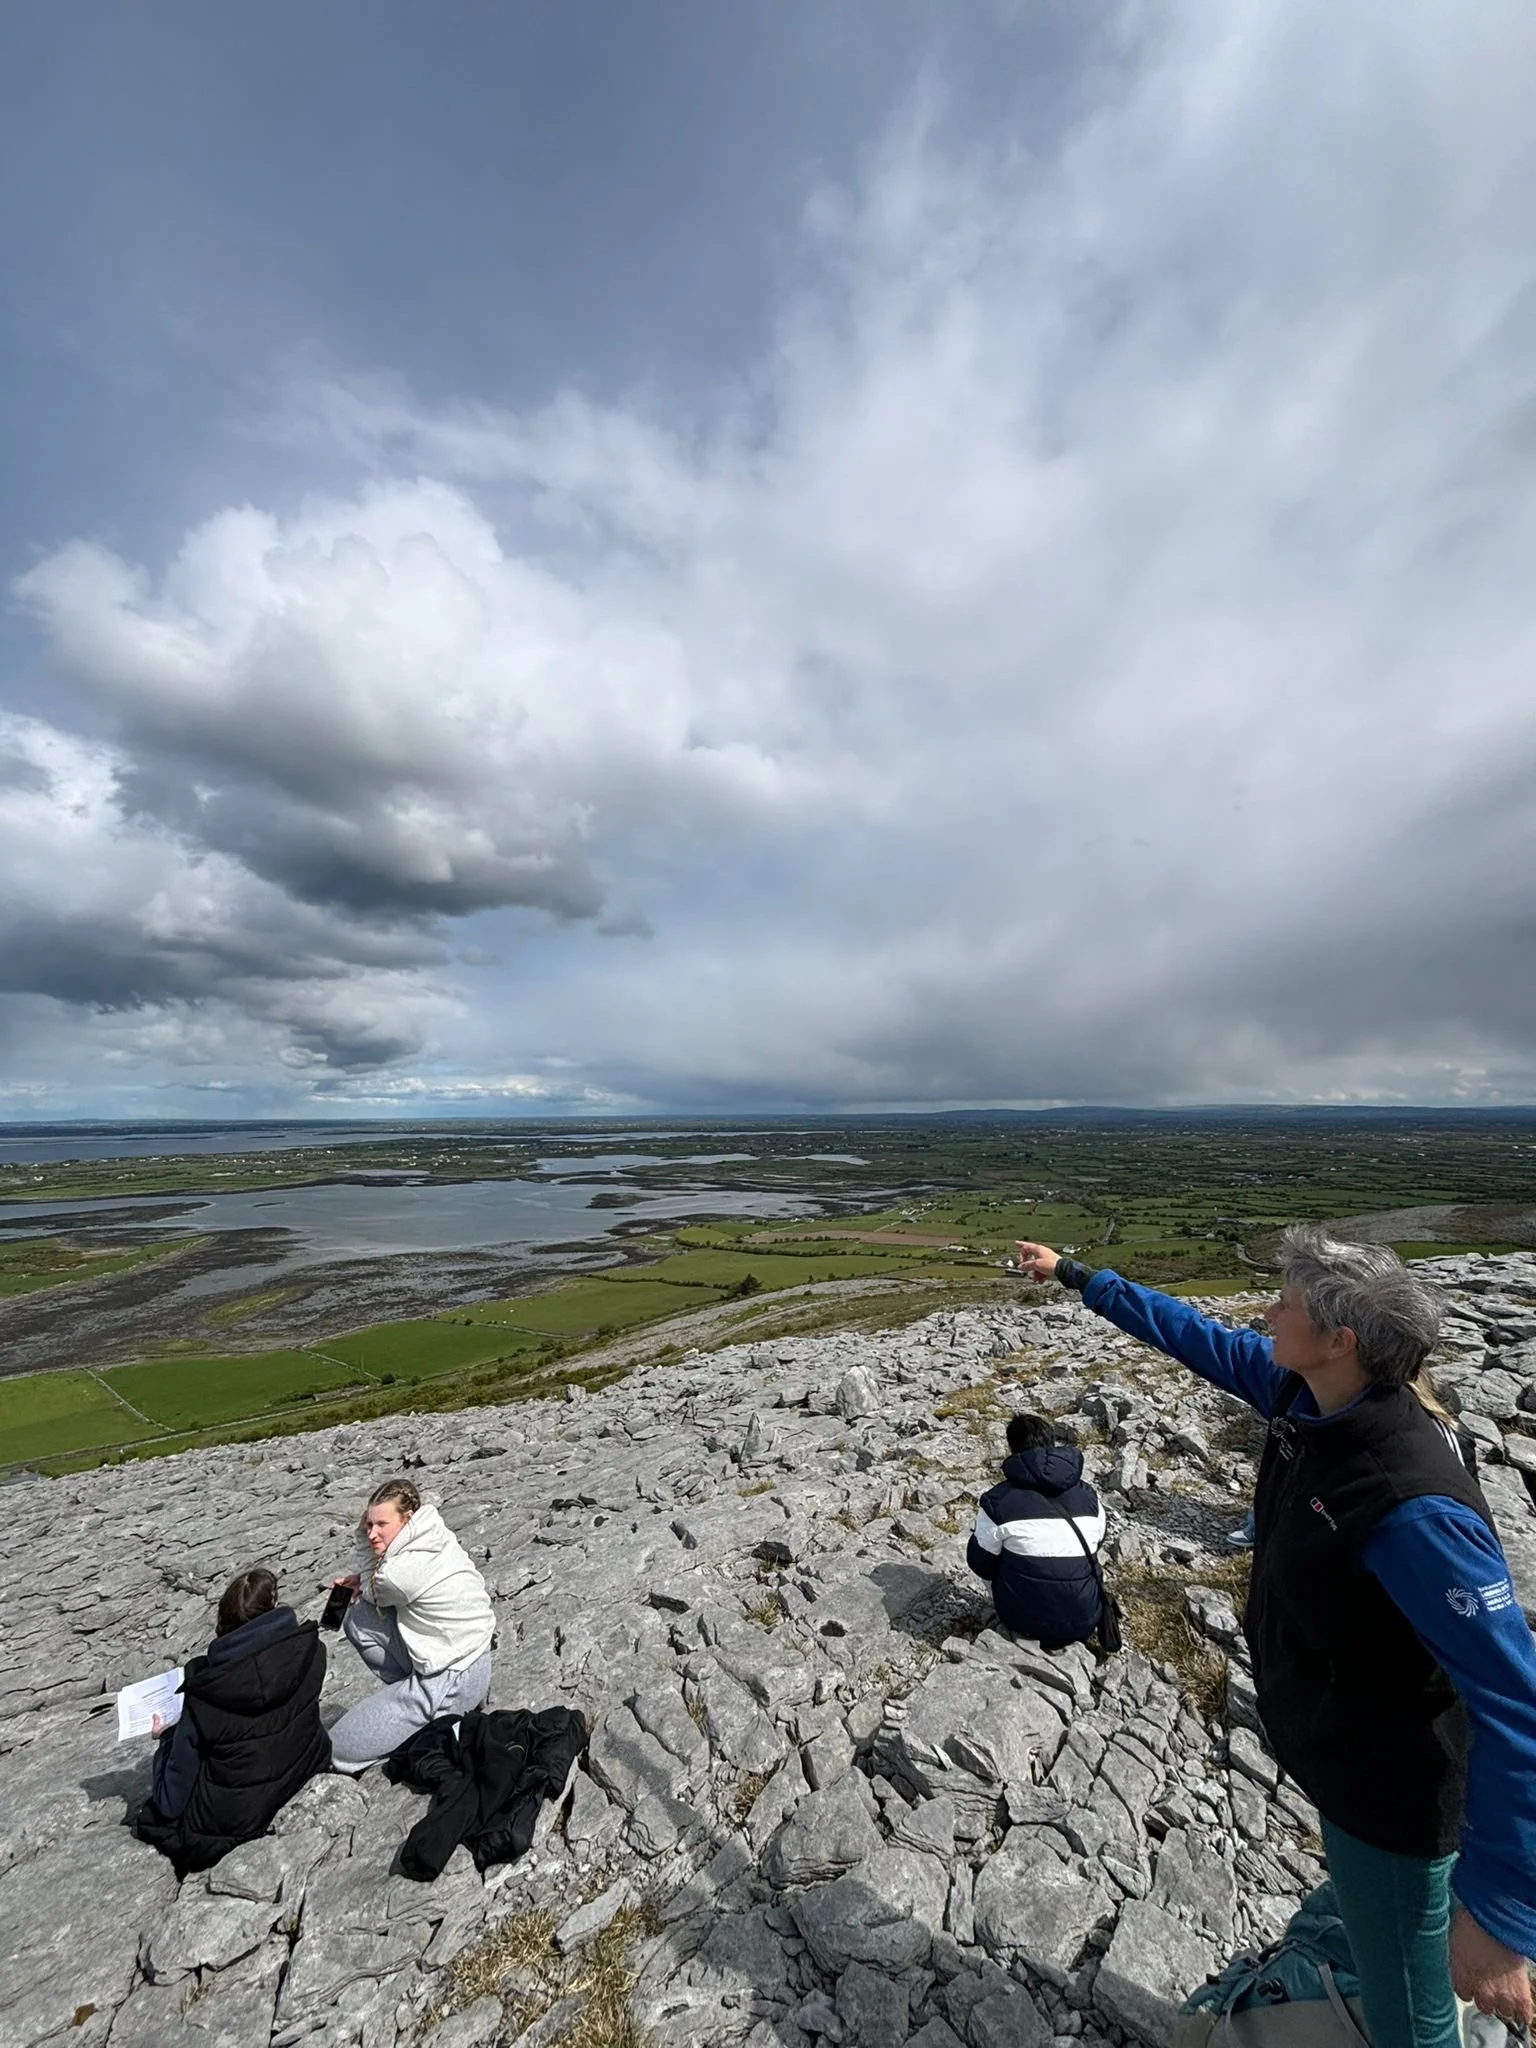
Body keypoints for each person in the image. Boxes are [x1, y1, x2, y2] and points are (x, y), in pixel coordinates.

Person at [1011, 1229, 1536, 2048]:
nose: (1265, 1313)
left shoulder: (1410, 1503)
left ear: (1340, 1340)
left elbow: (1516, 1700)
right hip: (1350, 1756)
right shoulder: (1312, 1397)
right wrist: (1076, 1275)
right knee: (1388, 1936)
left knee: (1416, 2019)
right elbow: (1193, 1335)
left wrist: (1504, 1919)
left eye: (1284, 1304)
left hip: (1393, 1793)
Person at [134, 1567, 330, 1874]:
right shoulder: (311, 1650)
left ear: (223, 1625)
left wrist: (168, 1738)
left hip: (232, 1823)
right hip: (305, 1766)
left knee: (153, 1818)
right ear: (273, 1607)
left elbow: (171, 1800)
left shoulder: (205, 1694)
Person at [327, 1479, 495, 1772]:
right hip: (472, 1659)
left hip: (449, 1681)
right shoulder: (433, 1532)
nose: (371, 1534)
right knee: (359, 1617)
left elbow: (378, 1582)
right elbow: (374, 1586)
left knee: (337, 1748)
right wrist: (367, 1577)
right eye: (368, 1525)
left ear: (407, 1519)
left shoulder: (396, 1576)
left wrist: (364, 1571)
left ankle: (431, 1716)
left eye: (381, 1524)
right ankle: (410, 1699)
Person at [966, 1411, 1105, 1646]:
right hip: (1086, 1617)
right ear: (1051, 1444)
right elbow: (1098, 1541)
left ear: (1012, 1448)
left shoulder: (997, 1501)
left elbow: (980, 1563)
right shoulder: (1089, 1496)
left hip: (1022, 1619)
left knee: (992, 1549)